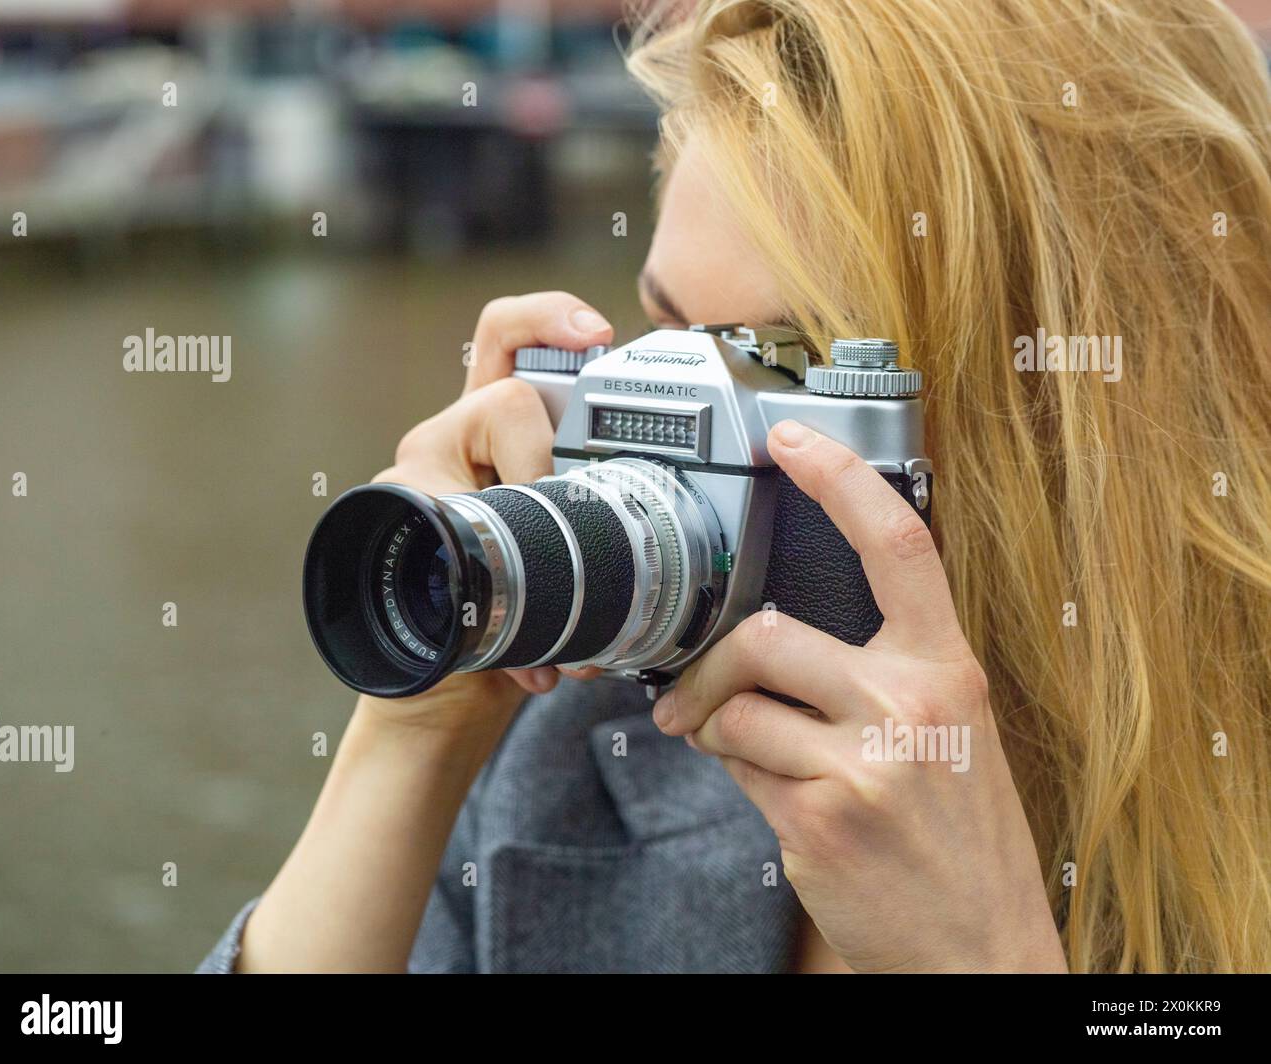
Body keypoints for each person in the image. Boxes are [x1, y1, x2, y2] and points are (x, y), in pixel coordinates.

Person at [199, 0, 1271, 973]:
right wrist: (411, 737)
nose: (684, 425)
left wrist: (980, 954)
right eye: (666, 335)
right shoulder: (581, 742)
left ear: (1072, 434)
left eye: (780, 368)